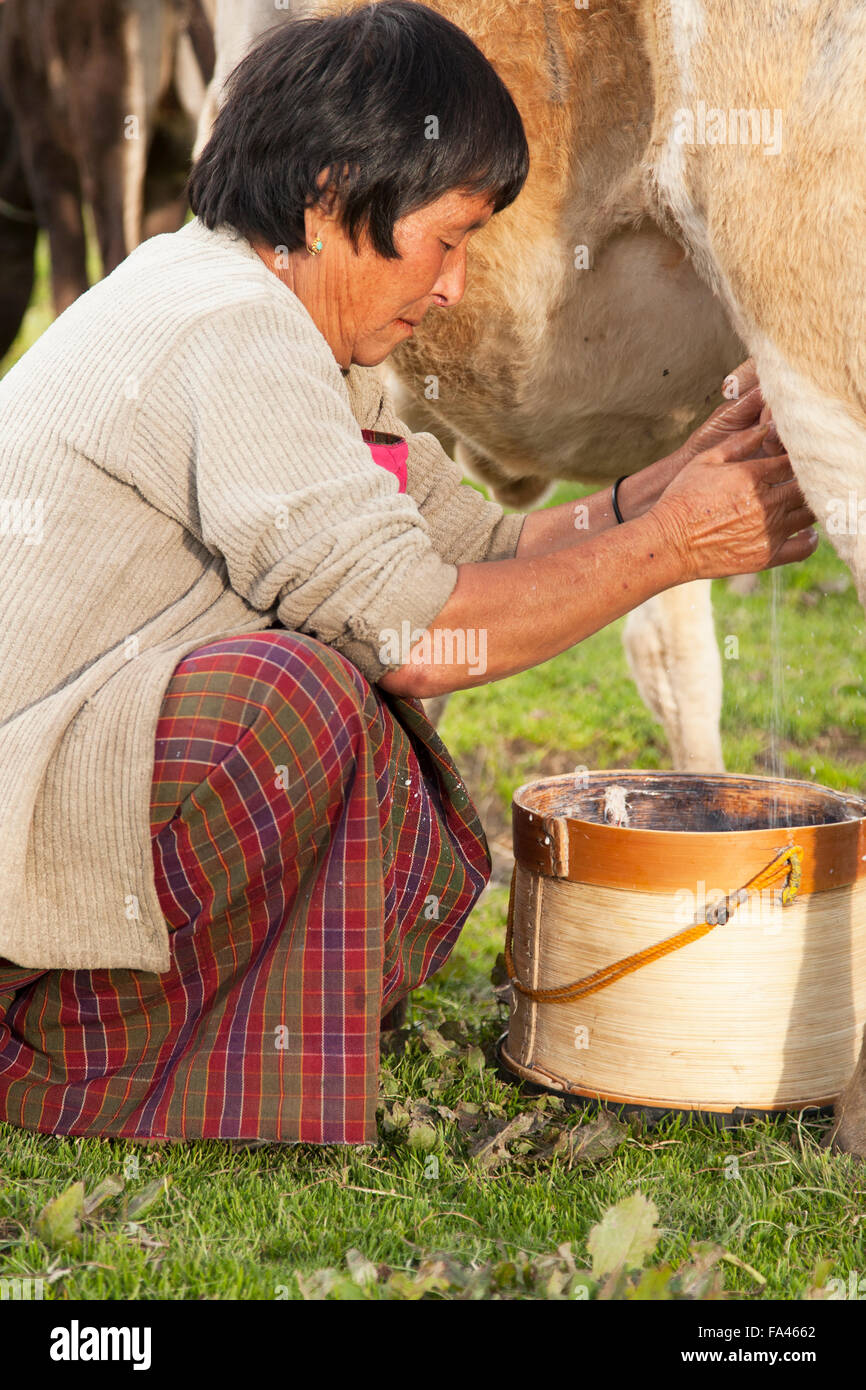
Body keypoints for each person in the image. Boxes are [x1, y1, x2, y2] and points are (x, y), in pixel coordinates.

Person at [0, 1, 816, 1145]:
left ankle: (171, 1026)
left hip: (53, 798)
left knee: (386, 762)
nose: (450, 287)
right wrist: (671, 547)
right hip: (21, 819)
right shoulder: (227, 330)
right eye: (449, 237)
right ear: (332, 198)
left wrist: (661, 486)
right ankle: (55, 1064)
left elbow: (470, 551)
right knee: (299, 705)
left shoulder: (264, 318)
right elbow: (422, 634)